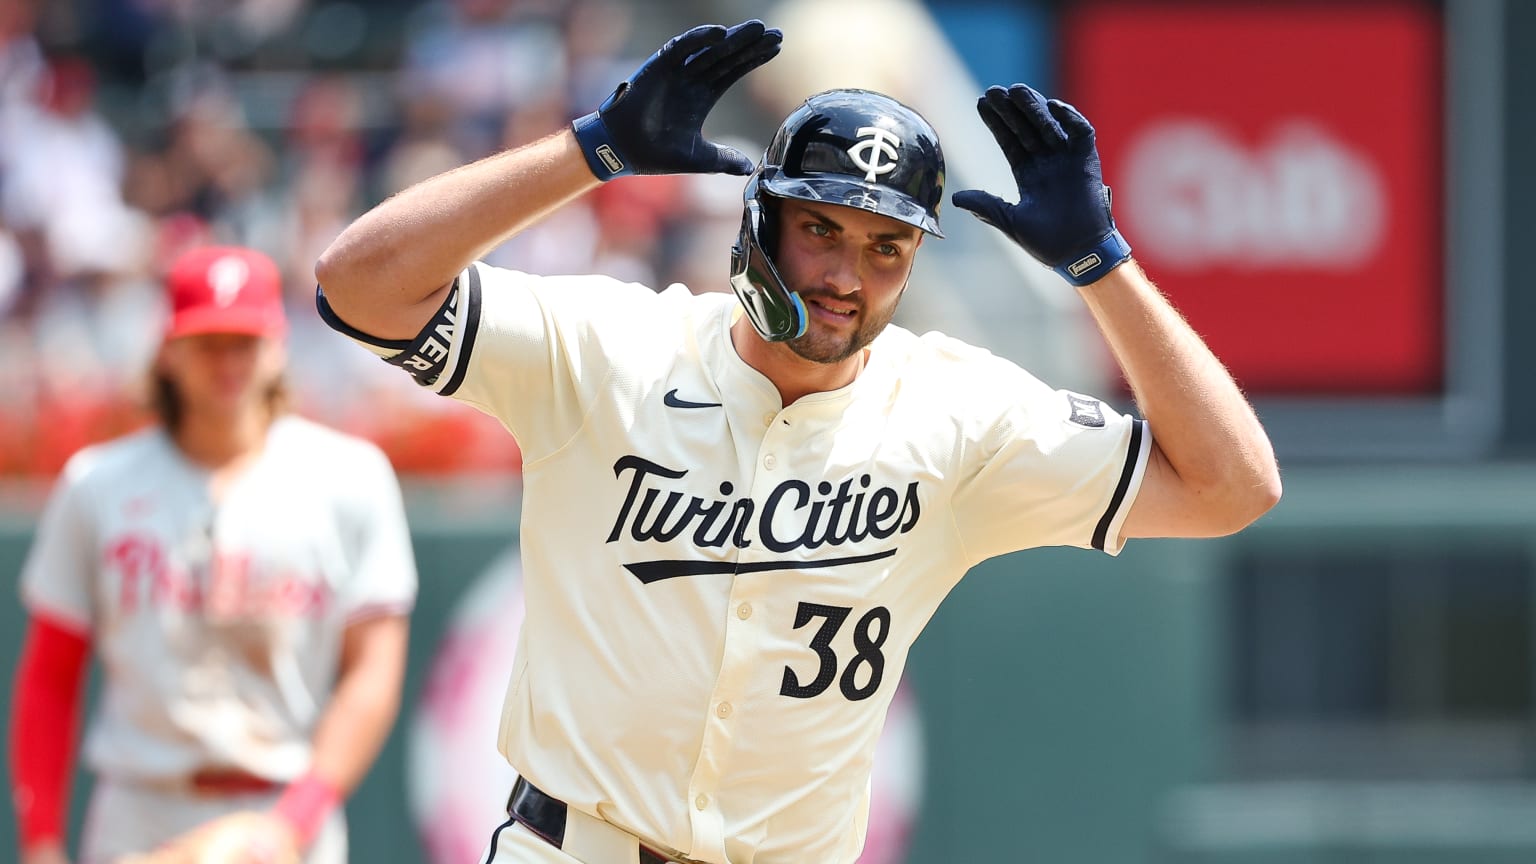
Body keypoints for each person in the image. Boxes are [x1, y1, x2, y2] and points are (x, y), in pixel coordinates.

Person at [314, 18, 1280, 864]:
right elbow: (357, 287)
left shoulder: (958, 414)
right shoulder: (612, 350)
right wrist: (591, 151)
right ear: (757, 222)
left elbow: (1233, 488)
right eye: (819, 228)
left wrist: (1100, 266)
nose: (845, 275)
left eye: (886, 246)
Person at [8, 245, 418, 864]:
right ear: (168, 351)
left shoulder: (350, 478)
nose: (227, 361)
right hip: (139, 812)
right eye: (208, 341)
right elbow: (50, 677)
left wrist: (292, 823)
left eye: (245, 340)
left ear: (279, 345)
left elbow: (373, 673)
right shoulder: (97, 484)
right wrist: (42, 844)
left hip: (286, 811)